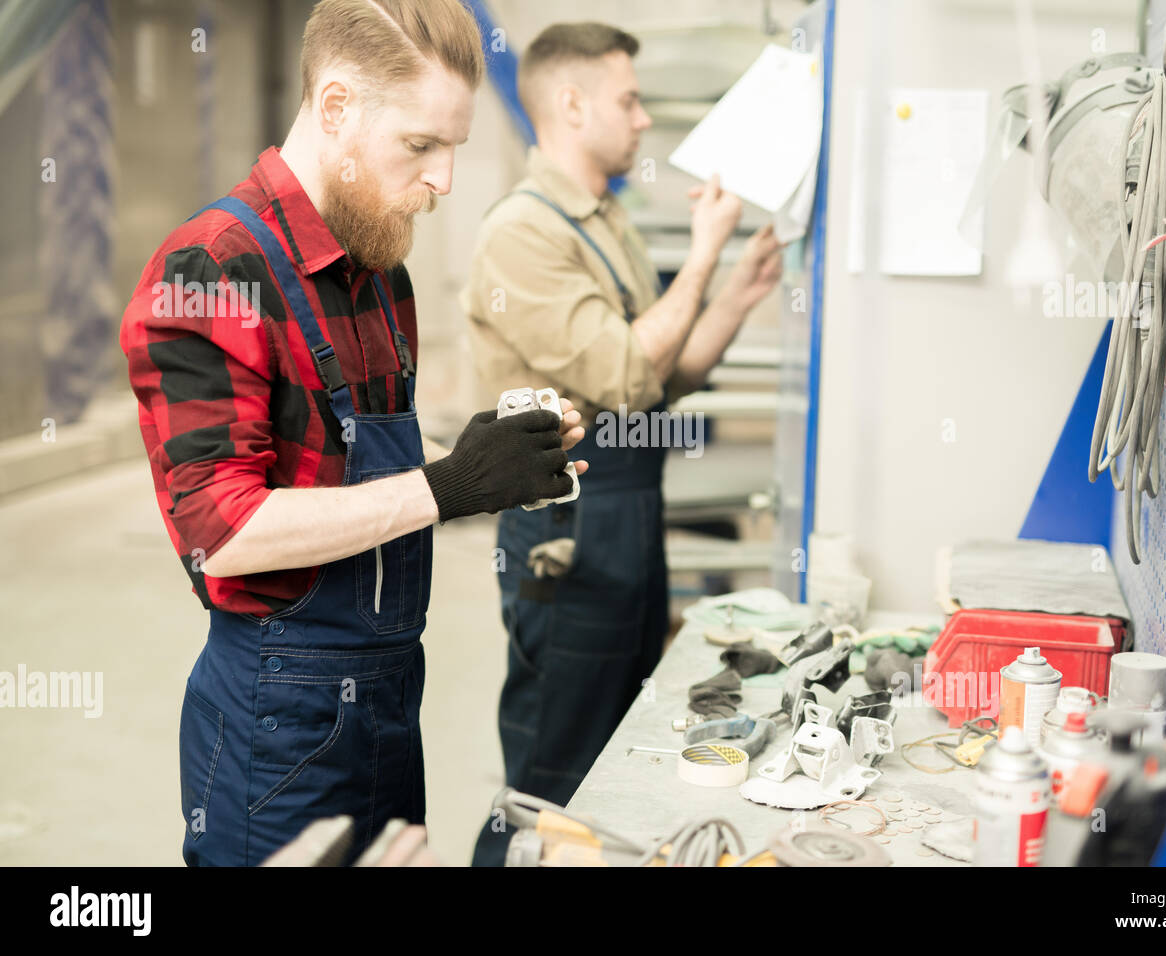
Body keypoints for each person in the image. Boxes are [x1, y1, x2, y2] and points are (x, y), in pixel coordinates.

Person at [119, 0, 586, 866]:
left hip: (386, 697)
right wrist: (449, 486)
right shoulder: (213, 269)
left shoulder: (380, 273)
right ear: (336, 109)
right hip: (276, 722)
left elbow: (356, 473)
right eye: (421, 146)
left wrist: (491, 454)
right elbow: (221, 534)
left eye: (455, 147)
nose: (444, 179)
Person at [461, 21, 783, 866]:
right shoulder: (523, 234)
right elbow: (626, 374)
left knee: (620, 753)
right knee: (552, 771)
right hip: (569, 528)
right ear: (571, 104)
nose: (643, 120)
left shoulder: (605, 220)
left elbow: (664, 380)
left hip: (630, 511)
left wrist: (734, 297)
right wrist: (707, 251)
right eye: (628, 100)